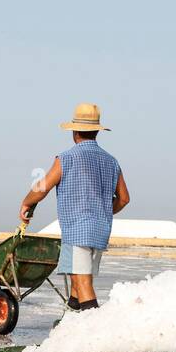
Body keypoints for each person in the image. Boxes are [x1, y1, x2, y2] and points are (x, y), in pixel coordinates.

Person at [18, 103, 129, 309]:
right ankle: (70, 324)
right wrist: (102, 212)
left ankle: (95, 330)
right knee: (78, 282)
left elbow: (42, 187)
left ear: (75, 131)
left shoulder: (67, 158)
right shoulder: (111, 161)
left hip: (77, 229)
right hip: (100, 230)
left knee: (83, 283)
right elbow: (123, 199)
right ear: (96, 131)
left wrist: (26, 202)